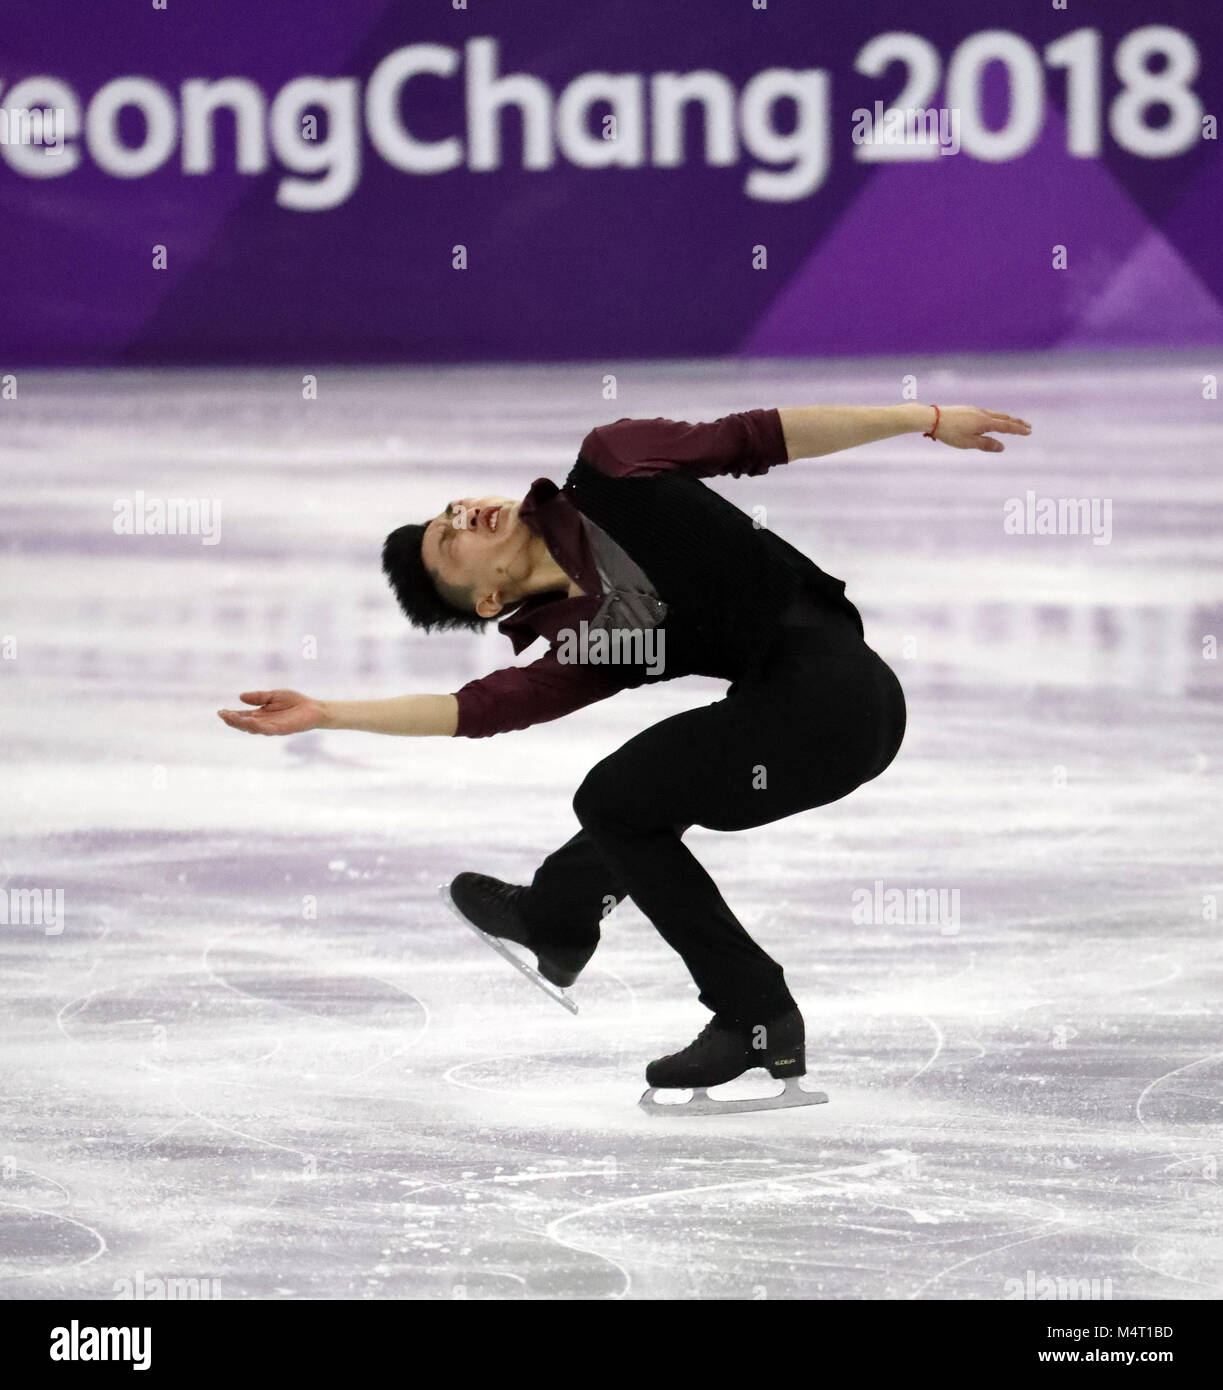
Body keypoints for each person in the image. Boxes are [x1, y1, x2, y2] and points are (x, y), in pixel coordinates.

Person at [219, 401, 1031, 1111]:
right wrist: (327, 712)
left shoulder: (612, 463)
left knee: (618, 798)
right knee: (629, 800)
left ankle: (723, 1000)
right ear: (488, 600)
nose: (463, 514)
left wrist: (923, 419)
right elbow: (475, 711)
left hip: (840, 697)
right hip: (799, 721)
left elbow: (763, 436)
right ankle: (565, 924)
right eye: (448, 541)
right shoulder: (588, 642)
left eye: (452, 510)